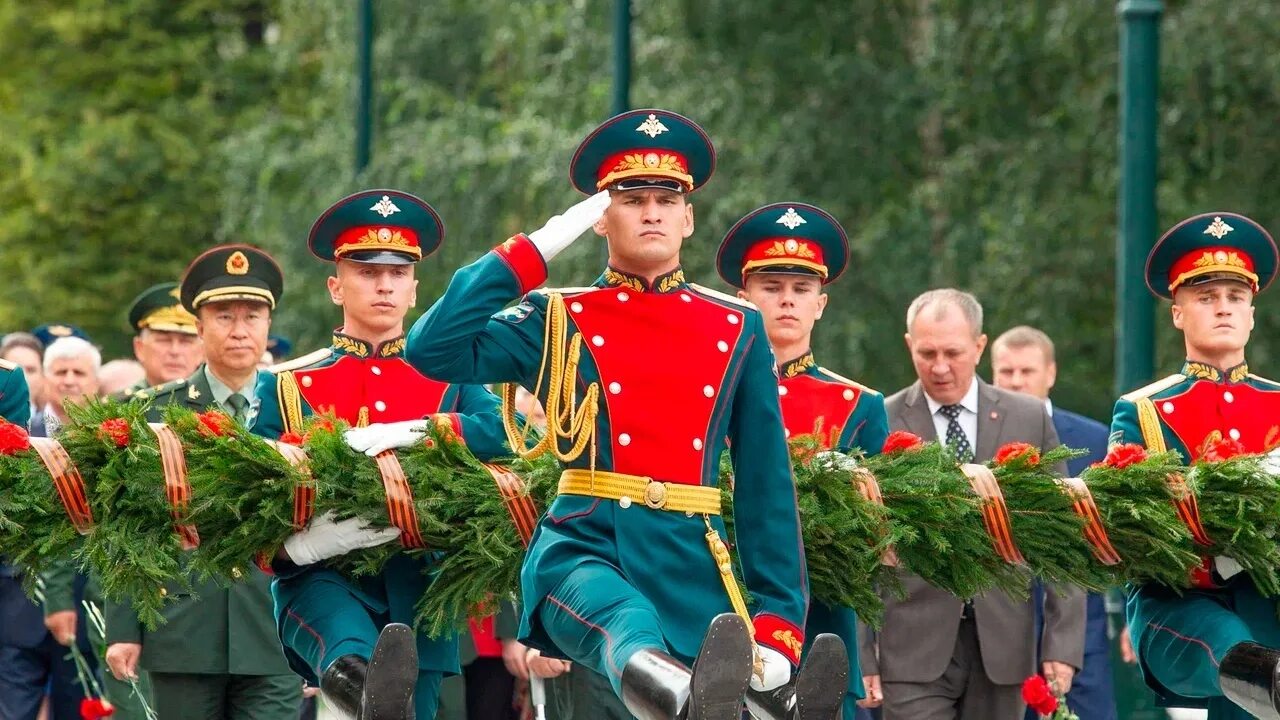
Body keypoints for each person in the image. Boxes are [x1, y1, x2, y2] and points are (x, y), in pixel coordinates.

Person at [382, 109, 842, 720]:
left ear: (688, 217)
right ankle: (680, 697)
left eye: (665, 198)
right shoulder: (557, 316)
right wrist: (533, 250)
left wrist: (781, 622)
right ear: (602, 218)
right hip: (586, 545)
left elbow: (765, 487)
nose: (651, 211)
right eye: (632, 199)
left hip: (692, 558)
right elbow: (431, 347)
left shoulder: (735, 328)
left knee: (676, 644)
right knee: (629, 621)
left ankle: (734, 695)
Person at [253, 189, 513, 720]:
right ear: (335, 287)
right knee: (355, 660)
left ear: (415, 290)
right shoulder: (288, 385)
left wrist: (422, 430)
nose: (385, 285)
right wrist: (295, 550)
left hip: (420, 585)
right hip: (323, 575)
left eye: (398, 274)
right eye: (368, 272)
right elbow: (248, 503)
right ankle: (359, 685)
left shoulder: (450, 378)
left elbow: (503, 433)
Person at [859, 289, 1084, 720]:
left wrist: (1061, 644)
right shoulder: (880, 421)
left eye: (953, 353)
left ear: (980, 347)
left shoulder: (1029, 418)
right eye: (927, 353)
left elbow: (1064, 539)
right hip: (910, 646)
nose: (940, 367)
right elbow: (863, 545)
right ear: (909, 345)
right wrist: (864, 654)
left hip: (1004, 646)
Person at [102, 245, 300, 719]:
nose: (239, 330)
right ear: (200, 326)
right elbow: (125, 526)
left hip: (275, 629)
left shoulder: (302, 408)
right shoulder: (152, 413)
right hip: (181, 626)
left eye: (252, 315)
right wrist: (123, 627)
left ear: (268, 325)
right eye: (223, 315)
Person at [718, 201, 887, 720]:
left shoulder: (858, 404)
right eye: (771, 289)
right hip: (717, 610)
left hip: (820, 626)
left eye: (801, 289)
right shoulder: (708, 389)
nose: (786, 301)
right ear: (742, 298)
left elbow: (878, 533)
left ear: (821, 304)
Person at [1110, 212, 1280, 719]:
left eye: (1235, 298)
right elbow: (1132, 533)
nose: (1223, 309)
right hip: (1181, 602)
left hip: (1269, 597)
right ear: (1178, 314)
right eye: (1206, 298)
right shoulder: (1143, 409)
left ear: (1251, 313)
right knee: (1233, 645)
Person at [992, 326, 1116, 720]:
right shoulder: (974, 437)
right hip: (996, 626)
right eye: (1006, 372)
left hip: (1082, 629)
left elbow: (1119, 533)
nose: (1016, 382)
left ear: (1051, 373)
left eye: (1027, 372)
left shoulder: (1095, 441)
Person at [124, 282, 203, 393]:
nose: (175, 351)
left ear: (202, 352)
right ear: (139, 348)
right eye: (164, 341)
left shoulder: (219, 406)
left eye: (186, 342)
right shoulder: (115, 409)